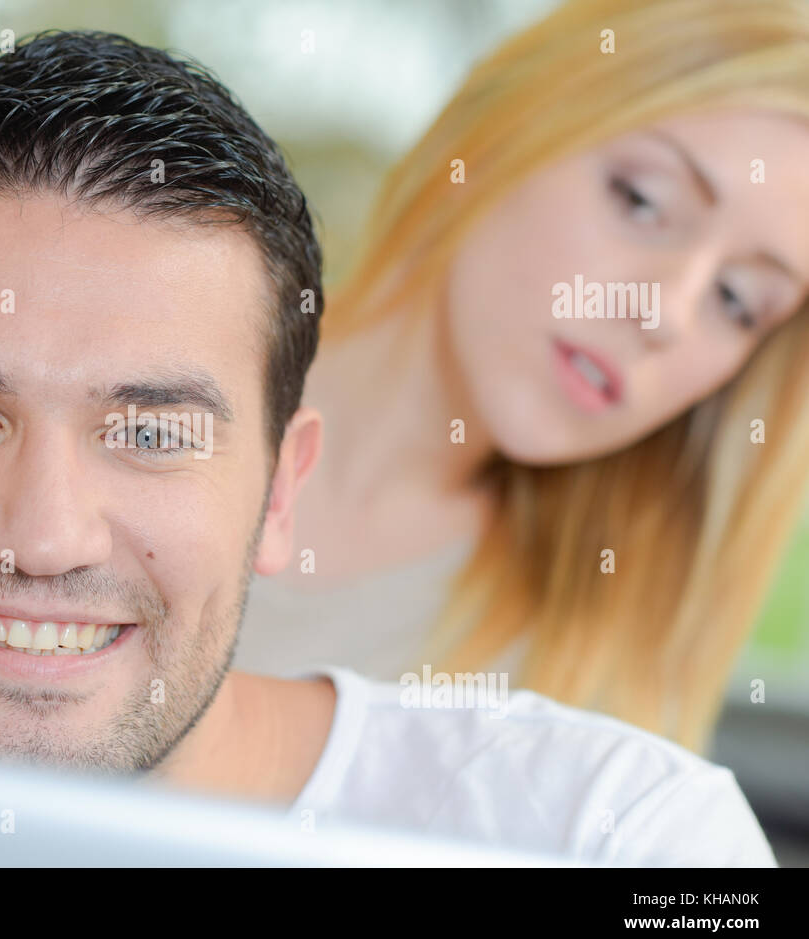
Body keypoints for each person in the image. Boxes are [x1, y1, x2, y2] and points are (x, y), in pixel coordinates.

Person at [0, 31, 773, 865]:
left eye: (739, 298)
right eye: (640, 199)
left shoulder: (604, 798)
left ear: (278, 485)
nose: (44, 535)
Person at [231, 0, 809, 753]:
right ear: (506, 127)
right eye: (641, 200)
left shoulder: (583, 703)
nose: (666, 312)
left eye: (737, 300)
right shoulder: (121, 355)